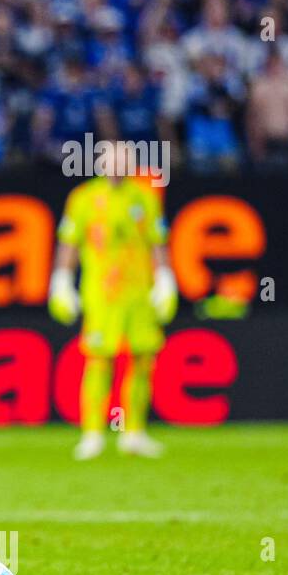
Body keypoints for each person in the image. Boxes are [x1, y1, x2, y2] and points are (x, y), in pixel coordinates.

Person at [49, 148, 177, 459]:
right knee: (99, 358)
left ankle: (133, 433)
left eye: (123, 162)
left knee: (143, 357)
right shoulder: (83, 197)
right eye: (111, 162)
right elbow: (69, 241)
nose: (117, 168)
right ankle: (92, 433)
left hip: (137, 291)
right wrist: (62, 280)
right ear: (101, 164)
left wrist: (164, 278)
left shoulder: (144, 197)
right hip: (102, 292)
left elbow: (156, 240)